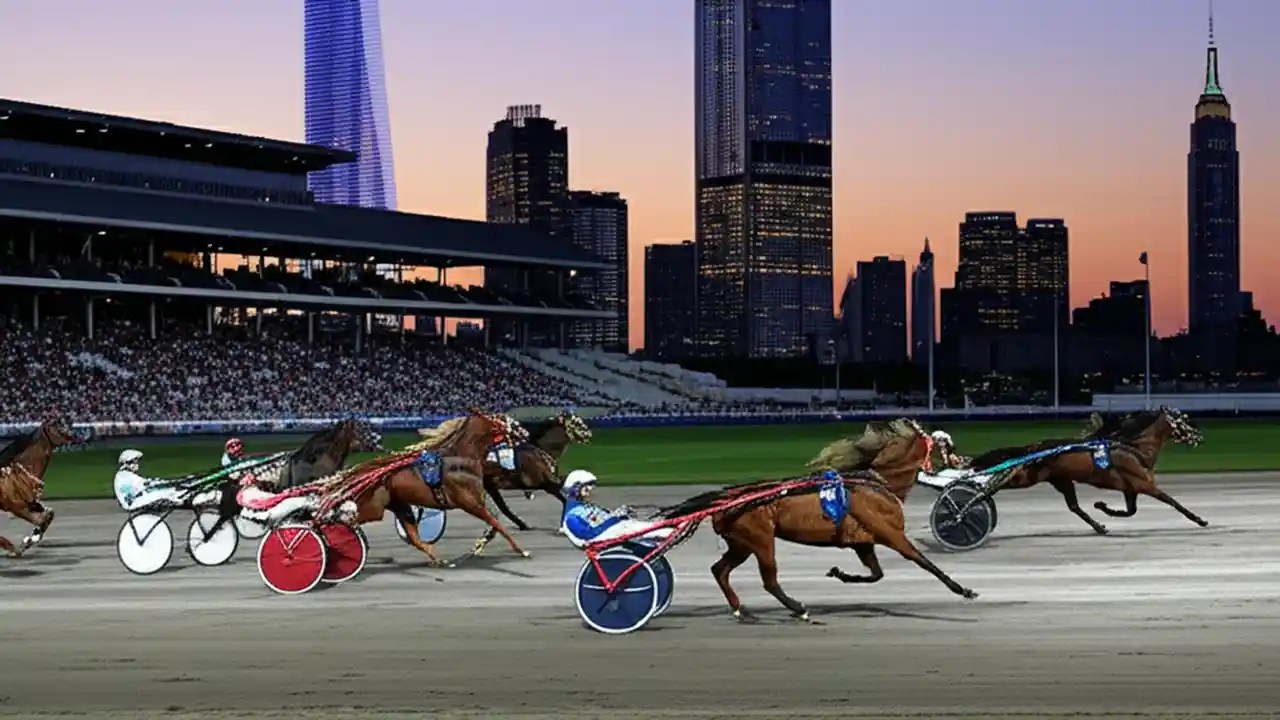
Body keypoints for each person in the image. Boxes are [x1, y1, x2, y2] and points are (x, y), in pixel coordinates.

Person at [559, 470, 673, 549]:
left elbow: (601, 520)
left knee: (631, 524)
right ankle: (666, 532)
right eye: (586, 486)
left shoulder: (583, 507)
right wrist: (614, 518)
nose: (590, 489)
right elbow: (589, 535)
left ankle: (664, 530)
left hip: (610, 531)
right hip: (599, 538)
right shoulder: (572, 516)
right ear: (576, 487)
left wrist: (617, 515)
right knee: (629, 527)